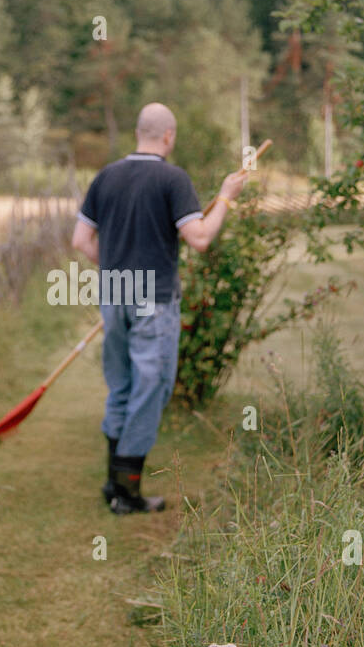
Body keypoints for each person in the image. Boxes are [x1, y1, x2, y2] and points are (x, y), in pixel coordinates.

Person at [71, 102, 246, 514]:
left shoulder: (105, 177)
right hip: (154, 298)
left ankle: (114, 483)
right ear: (168, 136)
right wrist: (225, 197)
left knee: (122, 386)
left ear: (139, 131)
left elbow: (80, 241)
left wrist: (119, 268)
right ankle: (127, 494)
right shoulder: (173, 179)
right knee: (151, 389)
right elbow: (199, 238)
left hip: (114, 292)